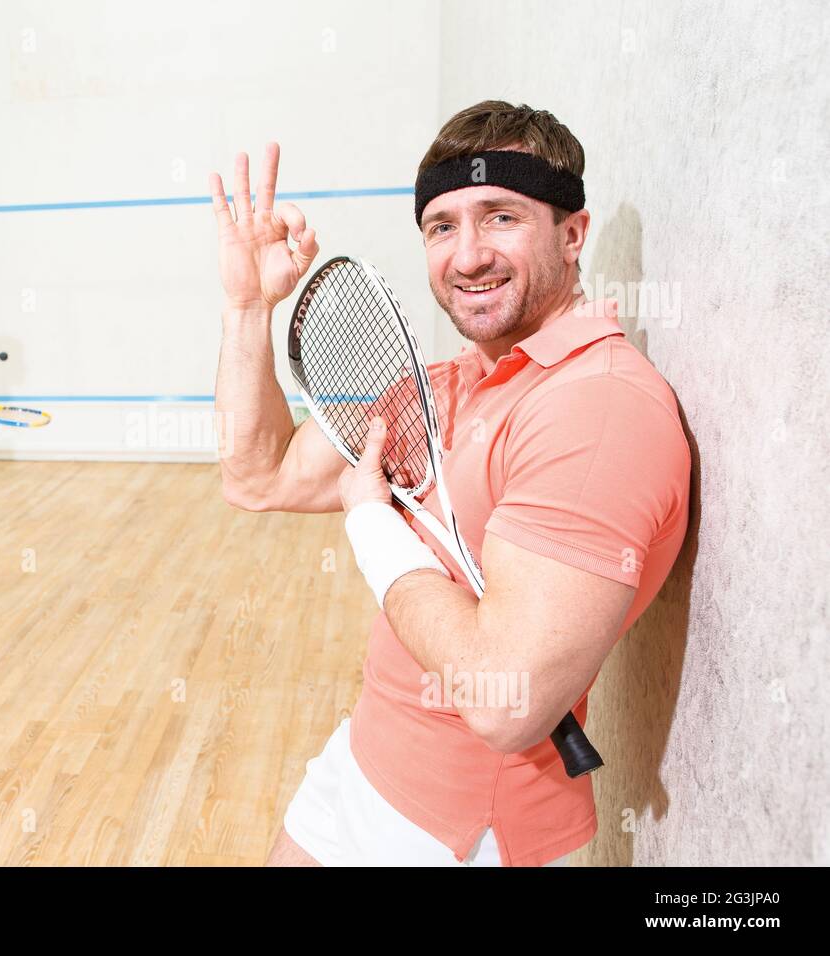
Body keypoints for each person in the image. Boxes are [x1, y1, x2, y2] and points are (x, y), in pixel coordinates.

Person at [210, 101, 690, 866]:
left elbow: (511, 701)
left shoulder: (599, 408)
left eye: (500, 217)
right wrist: (246, 310)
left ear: (572, 234)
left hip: (469, 830)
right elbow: (257, 476)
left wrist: (371, 527)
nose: (467, 256)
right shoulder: (447, 384)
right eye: (442, 226)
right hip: (366, 761)